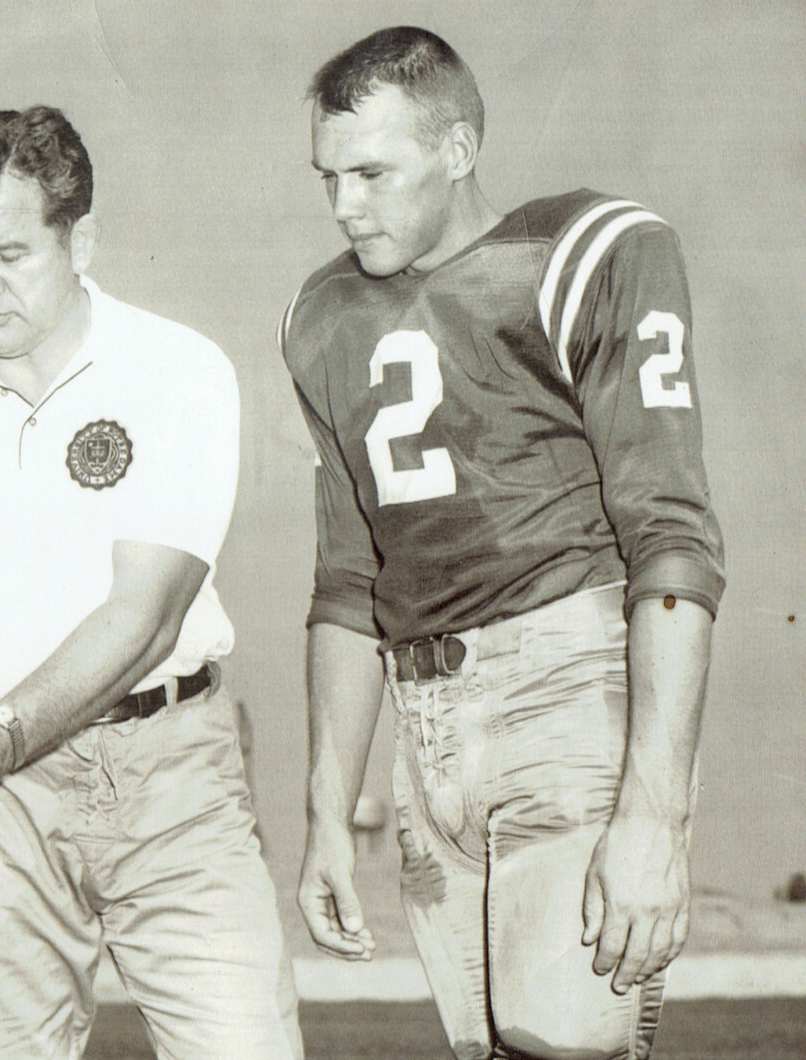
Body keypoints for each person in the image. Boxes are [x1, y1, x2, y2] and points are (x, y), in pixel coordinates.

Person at [281, 27, 724, 1060]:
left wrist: (652, 814)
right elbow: (349, 583)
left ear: (459, 146)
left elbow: (670, 539)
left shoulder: (581, 253)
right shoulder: (320, 313)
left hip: (564, 686)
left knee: (564, 1043)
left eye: (372, 173)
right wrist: (324, 815)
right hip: (419, 721)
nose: (345, 205)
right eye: (327, 177)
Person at [0, 105, 303, 1060]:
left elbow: (145, 613)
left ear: (81, 237)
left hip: (171, 771)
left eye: (11, 254)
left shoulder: (179, 370)